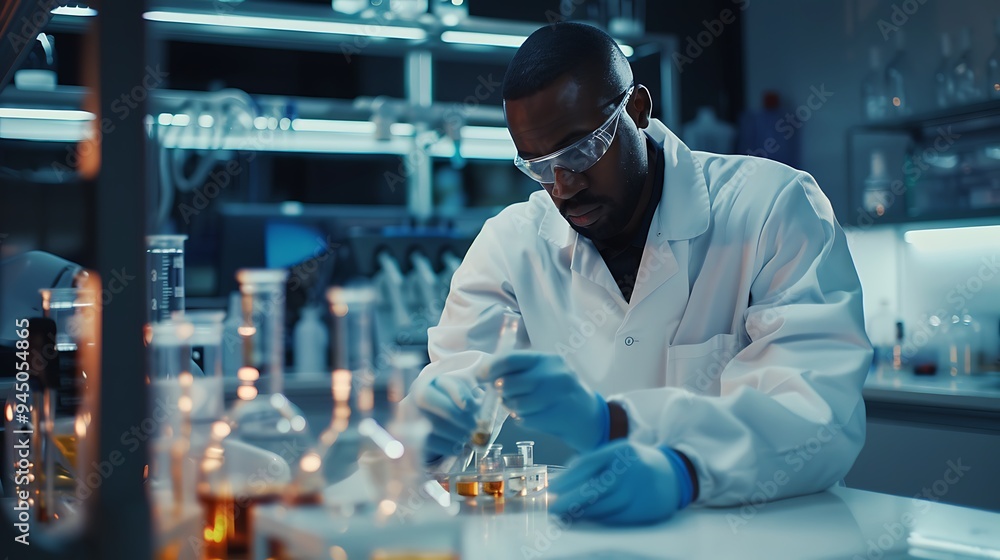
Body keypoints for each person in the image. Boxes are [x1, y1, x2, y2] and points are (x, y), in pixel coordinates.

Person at [408, 22, 872, 525]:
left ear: (638, 109)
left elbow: (818, 414)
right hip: (610, 539)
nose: (564, 186)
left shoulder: (771, 208)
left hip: (771, 536)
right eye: (540, 166)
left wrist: (681, 467)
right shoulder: (512, 242)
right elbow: (459, 375)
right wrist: (431, 429)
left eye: (580, 150)